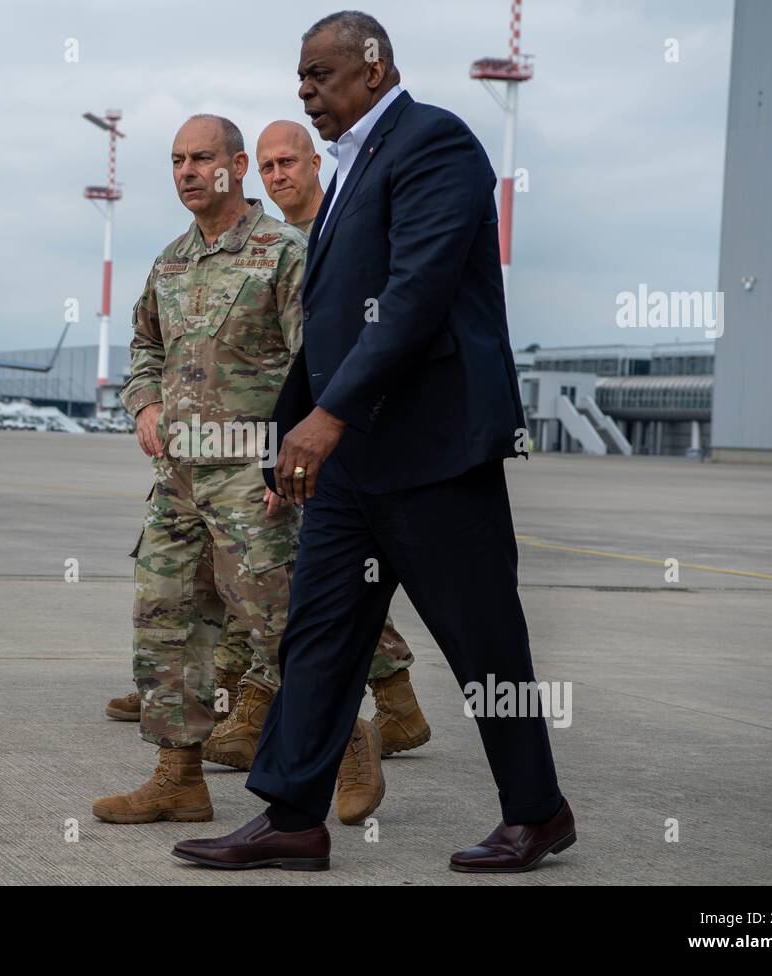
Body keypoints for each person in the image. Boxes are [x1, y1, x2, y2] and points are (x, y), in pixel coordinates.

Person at [172, 11, 573, 874]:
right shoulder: (349, 172)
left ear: (374, 66)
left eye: (319, 74)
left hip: (433, 455)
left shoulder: (436, 143)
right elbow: (328, 328)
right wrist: (291, 436)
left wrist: (331, 418)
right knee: (318, 636)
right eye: (301, 77)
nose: (307, 90)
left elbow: (414, 295)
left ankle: (538, 813)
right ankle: (291, 816)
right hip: (353, 468)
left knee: (483, 641)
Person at [92, 113, 385, 827]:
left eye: (201, 159)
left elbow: (319, 365)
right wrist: (143, 406)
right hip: (179, 479)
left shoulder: (284, 254)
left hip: (256, 477)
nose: (187, 172)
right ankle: (177, 778)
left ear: (237, 166)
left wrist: (293, 468)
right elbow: (144, 345)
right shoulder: (169, 261)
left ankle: (347, 746)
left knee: (278, 627)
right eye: (175, 161)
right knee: (164, 622)